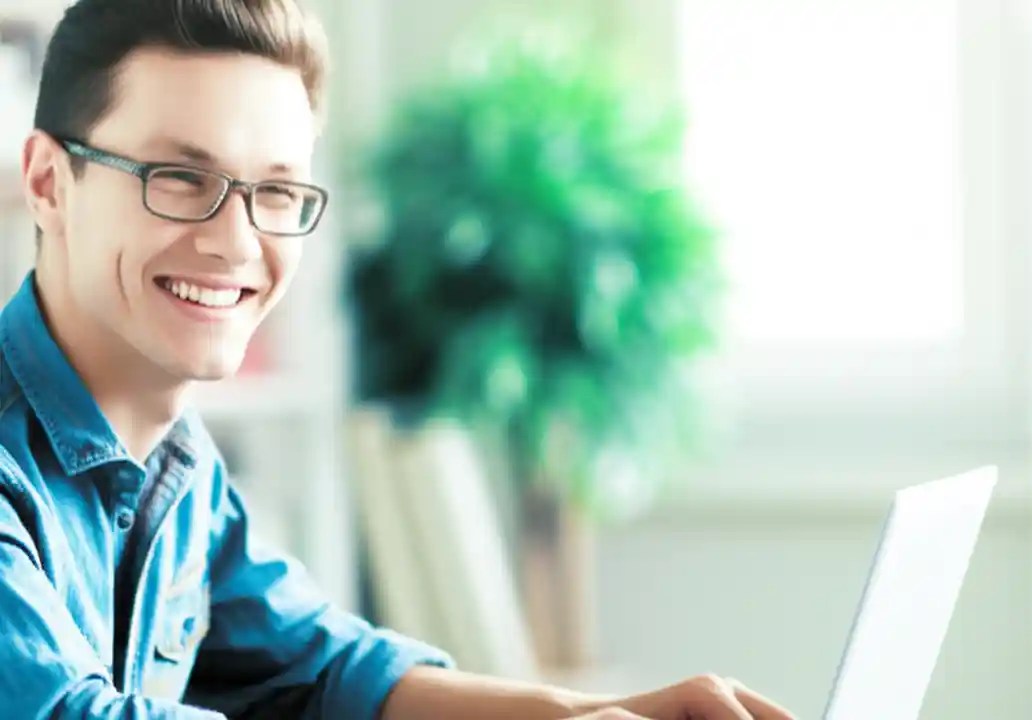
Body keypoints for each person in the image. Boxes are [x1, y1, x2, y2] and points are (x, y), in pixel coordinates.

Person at [2, 0, 797, 718]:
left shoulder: (180, 470)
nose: (236, 243)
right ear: (48, 182)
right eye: (179, 178)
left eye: (276, 192)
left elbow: (328, 671)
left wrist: (582, 715)